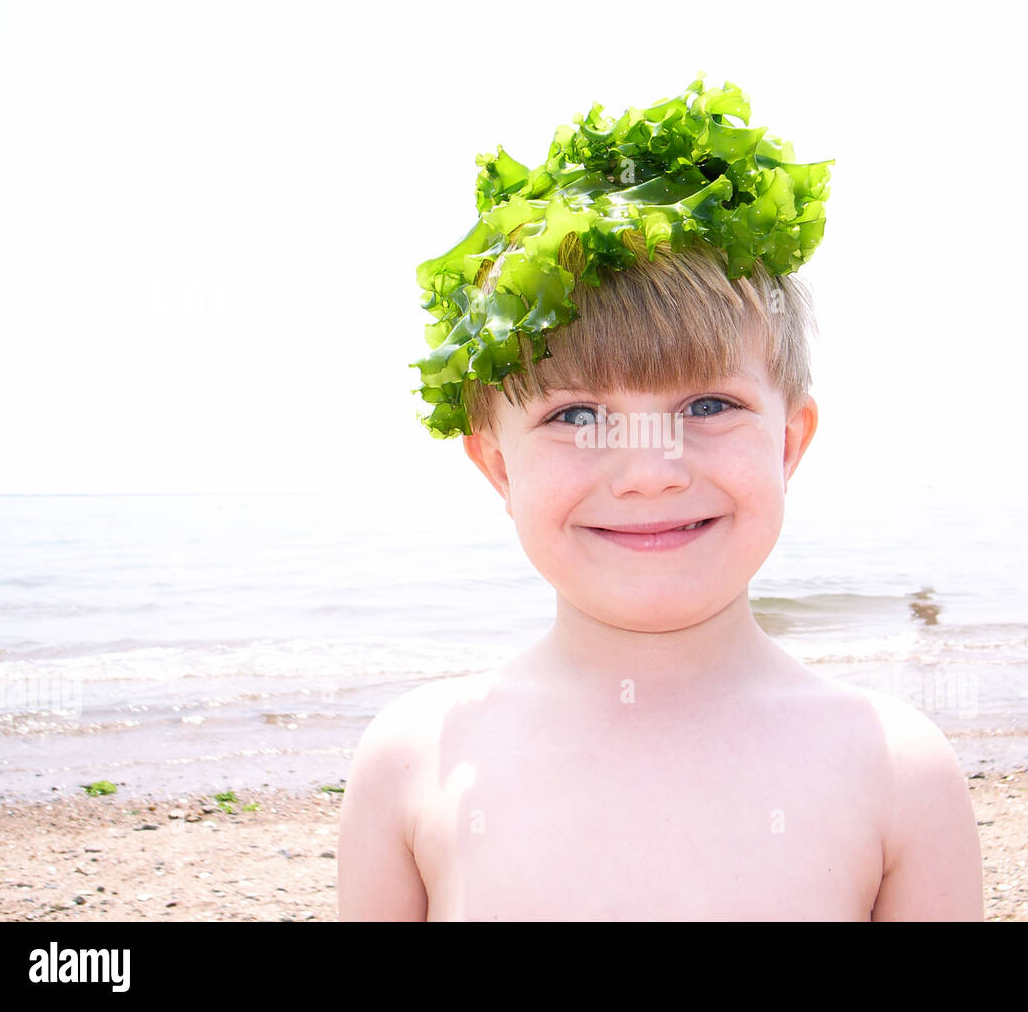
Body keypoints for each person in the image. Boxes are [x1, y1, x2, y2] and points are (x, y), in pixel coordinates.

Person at [338, 75, 983, 921]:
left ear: (788, 443)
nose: (649, 470)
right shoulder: (413, 764)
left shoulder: (898, 773)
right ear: (497, 467)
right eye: (575, 414)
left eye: (707, 406)